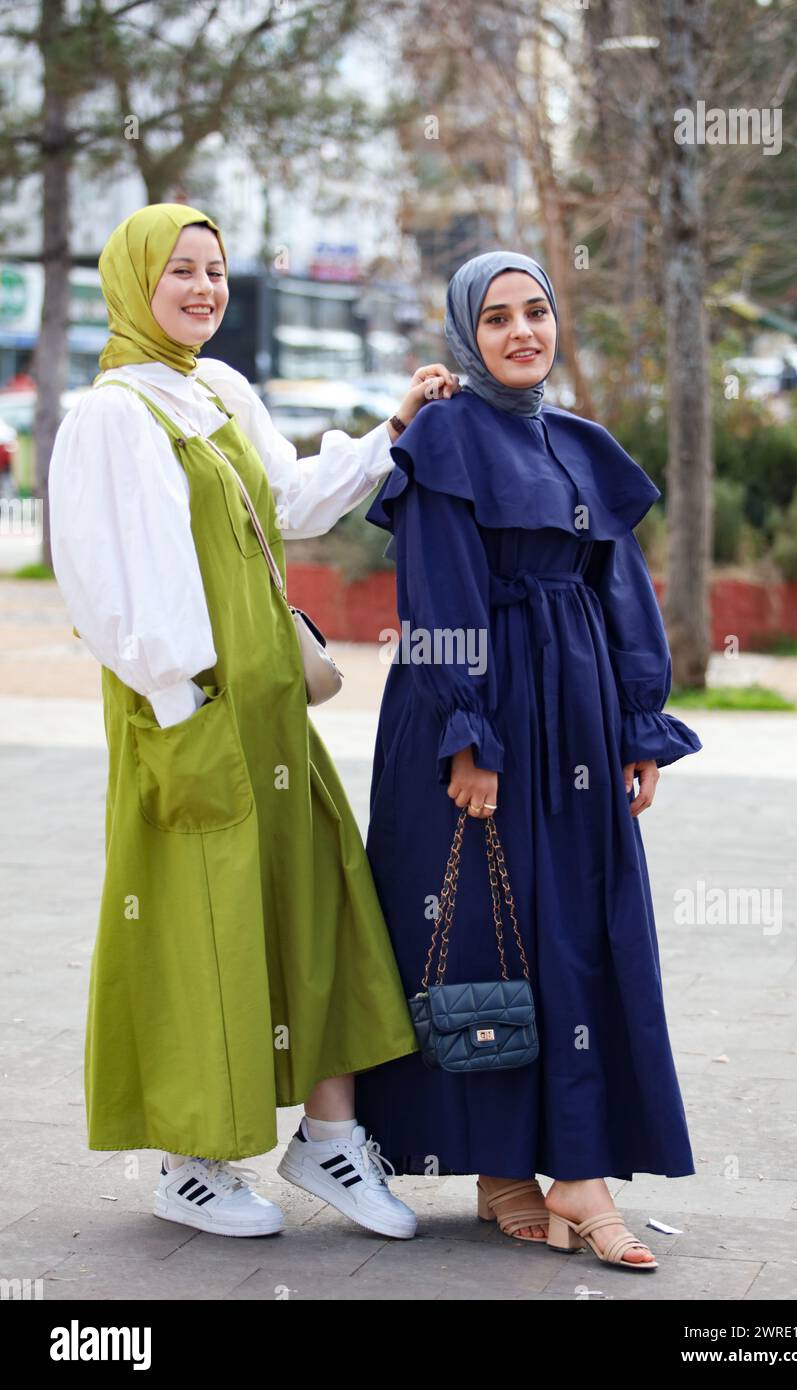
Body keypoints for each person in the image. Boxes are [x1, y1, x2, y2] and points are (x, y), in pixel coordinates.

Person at [48, 202, 460, 1240]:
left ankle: (327, 1140)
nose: (201, 288)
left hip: (272, 711)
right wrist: (182, 706)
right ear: (133, 280)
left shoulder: (214, 389)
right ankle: (192, 1162)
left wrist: (391, 430)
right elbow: (107, 585)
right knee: (197, 926)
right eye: (178, 270)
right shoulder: (108, 415)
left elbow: (293, 500)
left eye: (215, 271)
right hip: (185, 714)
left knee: (318, 901)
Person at [353, 250, 703, 1269]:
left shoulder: (576, 442)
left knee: (574, 925)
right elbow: (434, 593)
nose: (520, 332)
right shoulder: (445, 437)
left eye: (536, 312)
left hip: (580, 715)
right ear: (467, 332)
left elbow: (622, 589)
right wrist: (467, 734)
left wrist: (640, 725)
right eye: (497, 316)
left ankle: (553, 1167)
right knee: (480, 933)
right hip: (478, 711)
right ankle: (525, 1172)